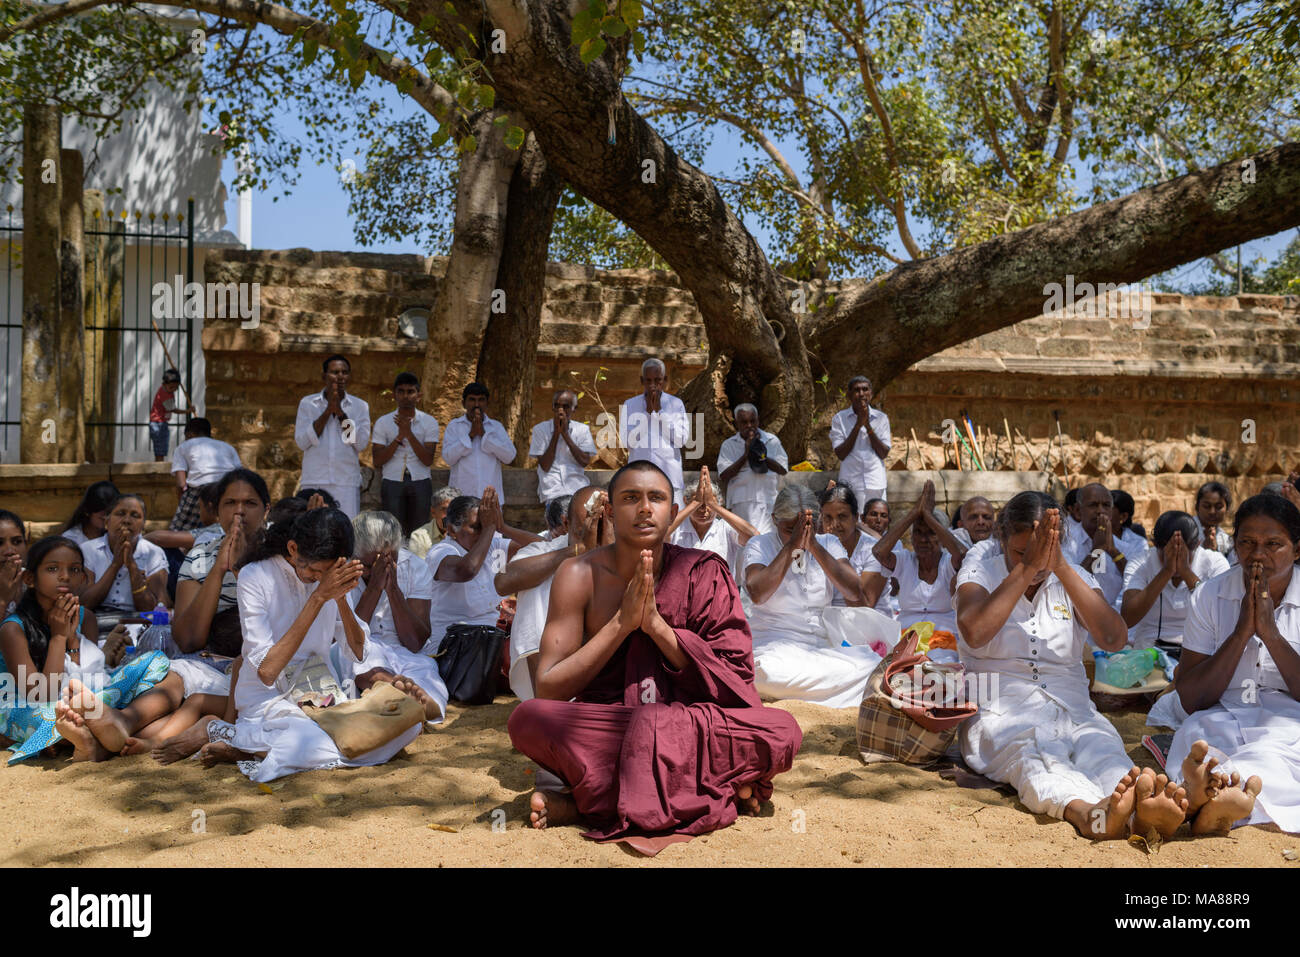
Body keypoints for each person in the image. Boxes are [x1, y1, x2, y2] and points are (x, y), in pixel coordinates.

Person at [506, 460, 803, 848]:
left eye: (656, 498)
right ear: (610, 511)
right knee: (528, 719)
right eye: (631, 498)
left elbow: (735, 681)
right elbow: (548, 688)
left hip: (691, 721)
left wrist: (658, 629)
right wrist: (621, 624)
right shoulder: (578, 575)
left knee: (783, 731)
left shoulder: (704, 570)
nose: (645, 508)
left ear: (672, 509)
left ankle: (588, 804)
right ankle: (717, 787)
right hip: (614, 723)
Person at [954, 493, 1189, 841]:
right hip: (1000, 709)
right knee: (1030, 756)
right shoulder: (978, 572)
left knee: (1101, 747)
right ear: (1002, 538)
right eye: (1021, 552)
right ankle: (1087, 814)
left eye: (1045, 554)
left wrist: (1060, 567)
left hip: (1073, 707)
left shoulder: (1072, 575)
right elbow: (974, 632)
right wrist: (1026, 568)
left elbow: (1113, 638)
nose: (1036, 566)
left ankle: (1138, 813)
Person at [199, 507, 423, 781]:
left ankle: (250, 748)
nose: (319, 578)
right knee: (303, 739)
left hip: (323, 697)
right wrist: (318, 598)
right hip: (269, 702)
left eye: (328, 572)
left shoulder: (330, 578)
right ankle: (242, 739)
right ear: (293, 549)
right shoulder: (254, 576)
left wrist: (340, 598)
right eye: (316, 570)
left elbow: (358, 652)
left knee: (408, 727)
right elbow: (267, 672)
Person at [1162, 494, 1300, 834]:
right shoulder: (1209, 595)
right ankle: (1225, 797)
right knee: (1195, 736)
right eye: (1247, 542)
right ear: (1233, 544)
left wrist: (1270, 634)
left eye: (1273, 544)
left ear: (1297, 549)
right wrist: (1241, 633)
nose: (1257, 554)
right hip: (1221, 712)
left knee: (1275, 754)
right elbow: (1191, 697)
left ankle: (1211, 799)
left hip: (1288, 720)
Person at [0, 536, 176, 763]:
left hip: (86, 699)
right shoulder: (13, 628)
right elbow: (41, 695)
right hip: (31, 704)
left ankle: (88, 733)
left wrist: (74, 641)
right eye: (53, 569)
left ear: (83, 578)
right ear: (30, 578)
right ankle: (96, 732)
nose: (65, 576)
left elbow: (92, 680)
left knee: (161, 667)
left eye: (74, 570)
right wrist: (58, 637)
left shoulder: (86, 617)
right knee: (44, 715)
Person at [743, 485, 881, 709]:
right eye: (790, 529)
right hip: (774, 645)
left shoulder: (829, 543)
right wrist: (791, 547)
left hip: (820, 647)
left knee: (872, 665)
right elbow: (757, 594)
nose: (800, 535)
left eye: (808, 528)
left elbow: (854, 592)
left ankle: (813, 693)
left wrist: (814, 545)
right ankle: (833, 694)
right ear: (773, 520)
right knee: (767, 673)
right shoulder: (759, 545)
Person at [497, 487, 611, 701]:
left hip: (610, 656)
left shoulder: (628, 548)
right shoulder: (542, 549)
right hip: (553, 662)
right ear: (566, 524)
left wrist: (607, 551)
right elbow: (503, 581)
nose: (594, 532)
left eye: (602, 524)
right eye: (585, 527)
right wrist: (577, 550)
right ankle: (545, 695)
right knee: (535, 585)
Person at [349, 511, 447, 722]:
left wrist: (393, 591)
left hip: (405, 654)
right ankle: (391, 688)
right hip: (360, 651)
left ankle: (417, 701)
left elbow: (415, 643)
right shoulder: (346, 568)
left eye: (388, 561)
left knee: (427, 672)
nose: (378, 569)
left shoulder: (414, 567)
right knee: (363, 668)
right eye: (368, 565)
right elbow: (351, 640)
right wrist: (374, 588)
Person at [864, 480, 967, 635]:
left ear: (941, 537)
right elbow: (879, 552)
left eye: (931, 532)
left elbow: (962, 555)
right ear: (911, 537)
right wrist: (914, 513)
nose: (923, 539)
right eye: (918, 532)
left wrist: (928, 515)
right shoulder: (905, 560)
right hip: (906, 636)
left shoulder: (948, 562)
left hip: (945, 636)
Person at [1121, 511, 1230, 655]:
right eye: (1167, 553)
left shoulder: (1215, 562)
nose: (1176, 558)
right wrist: (1166, 571)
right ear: (1154, 544)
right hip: (1150, 649)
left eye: (1184, 554)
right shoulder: (1140, 562)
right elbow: (1127, 618)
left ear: (1197, 544)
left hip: (1201, 649)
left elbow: (1223, 615)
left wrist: (1186, 571)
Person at [424, 488, 513, 651]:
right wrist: (488, 529)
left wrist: (502, 528)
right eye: (475, 527)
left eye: (484, 527)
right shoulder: (440, 551)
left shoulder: (493, 546)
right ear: (451, 530)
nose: (482, 533)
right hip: (451, 644)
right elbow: (467, 570)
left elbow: (542, 547)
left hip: (489, 637)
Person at [294, 354, 371, 518]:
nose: (340, 376)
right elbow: (302, 442)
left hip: (346, 482)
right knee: (312, 528)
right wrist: (328, 411)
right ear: (324, 376)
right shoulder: (308, 404)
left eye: (344, 372)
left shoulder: (360, 406)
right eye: (335, 372)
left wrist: (341, 414)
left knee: (346, 530)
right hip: (315, 479)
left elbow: (360, 444)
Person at [371, 372, 440, 539]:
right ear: (394, 394)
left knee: (420, 533)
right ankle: (395, 565)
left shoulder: (429, 422)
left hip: (421, 481)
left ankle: (419, 564)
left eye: (410, 391)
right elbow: (378, 461)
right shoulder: (383, 422)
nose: (405, 396)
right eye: (401, 391)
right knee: (392, 532)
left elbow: (427, 459)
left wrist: (409, 434)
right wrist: (399, 437)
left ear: (418, 396)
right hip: (392, 481)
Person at [79, 494, 171, 618]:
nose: (127, 520)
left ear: (143, 525)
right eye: (120, 513)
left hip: (138, 623)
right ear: (107, 521)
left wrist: (132, 566)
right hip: (94, 623)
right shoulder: (88, 550)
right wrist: (115, 564)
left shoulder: (154, 553)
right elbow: (85, 604)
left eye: (135, 515)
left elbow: (156, 610)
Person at [620, 358, 689, 506]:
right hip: (639, 477)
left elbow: (681, 440)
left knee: (674, 522)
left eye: (657, 380)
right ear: (641, 380)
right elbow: (627, 442)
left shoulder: (676, 404)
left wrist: (660, 412)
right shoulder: (630, 404)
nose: (652, 385)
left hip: (670, 476)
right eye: (648, 380)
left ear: (665, 380)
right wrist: (647, 414)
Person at [819, 486, 896, 617]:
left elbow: (863, 606)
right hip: (828, 622)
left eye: (842, 517)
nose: (835, 524)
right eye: (828, 518)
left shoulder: (873, 551)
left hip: (868, 622)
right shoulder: (818, 545)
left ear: (856, 518)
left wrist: (836, 556)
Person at [667, 466, 757, 578]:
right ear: (686, 501)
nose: (703, 509)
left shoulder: (725, 529)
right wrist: (695, 503)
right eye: (699, 504)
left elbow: (754, 537)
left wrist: (714, 505)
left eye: (708, 504)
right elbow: (659, 534)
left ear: (719, 503)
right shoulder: (677, 528)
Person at [716, 403, 788, 534]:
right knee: (743, 543)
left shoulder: (772, 441)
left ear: (758, 420)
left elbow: (782, 469)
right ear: (736, 423)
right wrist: (746, 454)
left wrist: (761, 454)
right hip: (741, 503)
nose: (749, 426)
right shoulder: (729, 445)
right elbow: (724, 475)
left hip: (768, 501)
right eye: (744, 422)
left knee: (767, 541)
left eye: (752, 421)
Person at [441, 382, 517, 502]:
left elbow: (509, 456)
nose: (476, 405)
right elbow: (448, 458)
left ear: (487, 403)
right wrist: (470, 435)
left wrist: (484, 435)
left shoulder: (496, 427)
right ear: (464, 403)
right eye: (472, 400)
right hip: (461, 497)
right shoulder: (454, 426)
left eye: (481, 400)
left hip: (490, 498)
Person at [168, 417, 242, 532]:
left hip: (199, 490)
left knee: (177, 532)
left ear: (190, 434)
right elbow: (240, 474)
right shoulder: (227, 447)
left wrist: (183, 505)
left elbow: (181, 482)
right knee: (228, 529)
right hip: (229, 489)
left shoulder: (183, 447)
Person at [1061, 483, 1126, 607]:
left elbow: (1136, 583)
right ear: (1078, 511)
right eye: (1093, 505)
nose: (1100, 511)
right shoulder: (1065, 542)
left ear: (1111, 512)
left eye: (1106, 505)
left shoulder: (1124, 546)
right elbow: (1069, 585)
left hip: (1117, 617)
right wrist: (1096, 551)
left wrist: (1113, 551)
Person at [829, 376, 890, 506]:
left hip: (875, 482)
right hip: (850, 483)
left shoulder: (881, 418)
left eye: (865, 389)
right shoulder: (839, 419)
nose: (861, 394)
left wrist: (867, 426)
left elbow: (883, 453)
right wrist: (858, 425)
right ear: (849, 395)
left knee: (875, 523)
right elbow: (841, 453)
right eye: (857, 390)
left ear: (871, 394)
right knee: (851, 524)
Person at [529, 389, 597, 505]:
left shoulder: (582, 430)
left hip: (577, 489)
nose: (560, 410)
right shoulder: (540, 430)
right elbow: (545, 466)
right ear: (552, 407)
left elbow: (584, 461)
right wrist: (556, 433)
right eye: (557, 406)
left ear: (574, 409)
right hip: (552, 491)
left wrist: (565, 434)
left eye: (566, 406)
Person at [148, 368, 192, 462]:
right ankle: (159, 466)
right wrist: (188, 411)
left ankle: (159, 464)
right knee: (160, 449)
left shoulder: (166, 390)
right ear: (164, 384)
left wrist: (175, 372)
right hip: (158, 423)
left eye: (176, 388)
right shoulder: (164, 395)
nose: (173, 390)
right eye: (171, 387)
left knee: (162, 448)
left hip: (161, 422)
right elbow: (173, 409)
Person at [61, 480, 120, 547]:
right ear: (88, 511)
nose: (107, 518)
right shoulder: (71, 539)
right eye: (102, 514)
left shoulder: (118, 535)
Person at [407, 486, 460, 559]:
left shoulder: (467, 531)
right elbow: (419, 568)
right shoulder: (419, 537)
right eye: (444, 510)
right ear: (433, 512)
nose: (450, 515)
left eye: (455, 509)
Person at [1194, 481, 1235, 560]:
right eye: (1206, 506)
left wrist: (1215, 553)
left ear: (1227, 509)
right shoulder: (1186, 531)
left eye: (1218, 507)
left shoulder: (1226, 540)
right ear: (1197, 507)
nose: (1212, 512)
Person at [1109, 490, 1150, 562]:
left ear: (1123, 516)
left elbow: (1136, 573)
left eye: (1107, 507)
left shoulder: (1138, 543)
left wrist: (1112, 550)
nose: (1101, 511)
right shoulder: (1089, 535)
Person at [0, 510, 26, 615]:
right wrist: (3, 599)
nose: (10, 551)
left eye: (17, 542)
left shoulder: (34, 581)